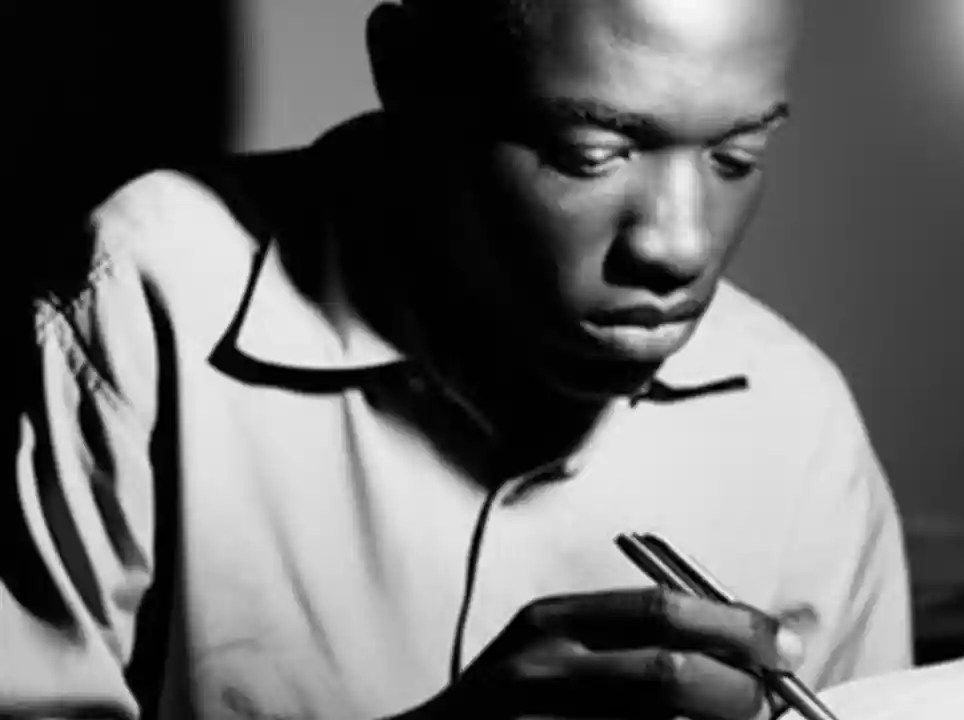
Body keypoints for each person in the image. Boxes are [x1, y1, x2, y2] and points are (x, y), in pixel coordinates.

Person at [3, 0, 913, 718]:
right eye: (588, 152)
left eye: (736, 155)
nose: (677, 245)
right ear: (409, 75)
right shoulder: (143, 298)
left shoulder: (797, 418)